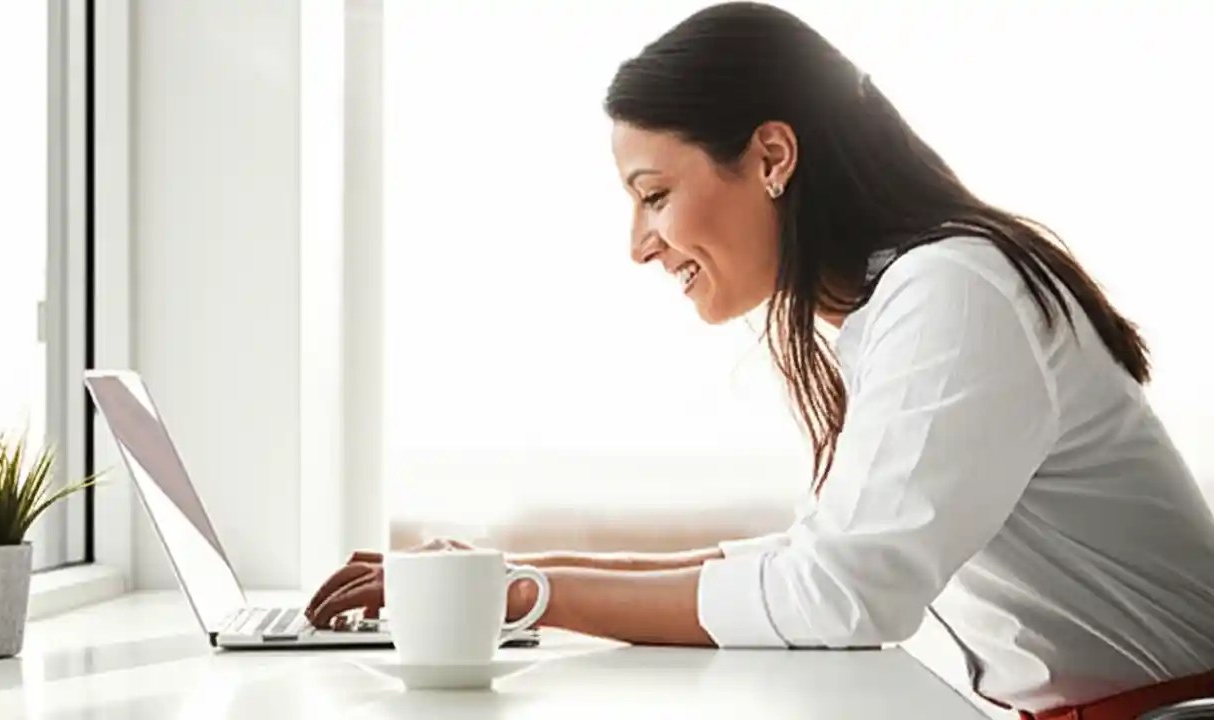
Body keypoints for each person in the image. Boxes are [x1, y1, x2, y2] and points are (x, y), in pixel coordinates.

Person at [307, 3, 1214, 718]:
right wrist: (502, 570)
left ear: (772, 156)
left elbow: (838, 598)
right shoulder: (903, 302)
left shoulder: (953, 291)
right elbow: (810, 560)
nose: (640, 244)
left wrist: (515, 593)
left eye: (654, 195)